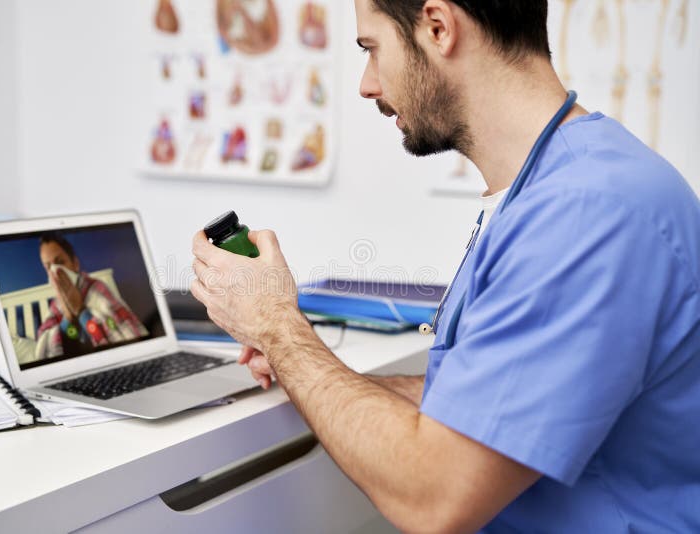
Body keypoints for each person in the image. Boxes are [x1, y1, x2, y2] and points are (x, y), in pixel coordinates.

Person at [190, 1, 700, 531]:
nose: (366, 85)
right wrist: (304, 363)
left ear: (438, 27)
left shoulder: (587, 216)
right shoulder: (561, 188)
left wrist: (278, 328)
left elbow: (433, 497)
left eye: (372, 49)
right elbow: (484, 397)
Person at [36, 233, 148, 360]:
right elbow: (44, 347)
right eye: (48, 267)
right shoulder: (55, 306)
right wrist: (67, 315)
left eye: (60, 262)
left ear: (75, 264)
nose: (55, 271)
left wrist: (80, 309)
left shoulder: (97, 289)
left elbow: (127, 336)